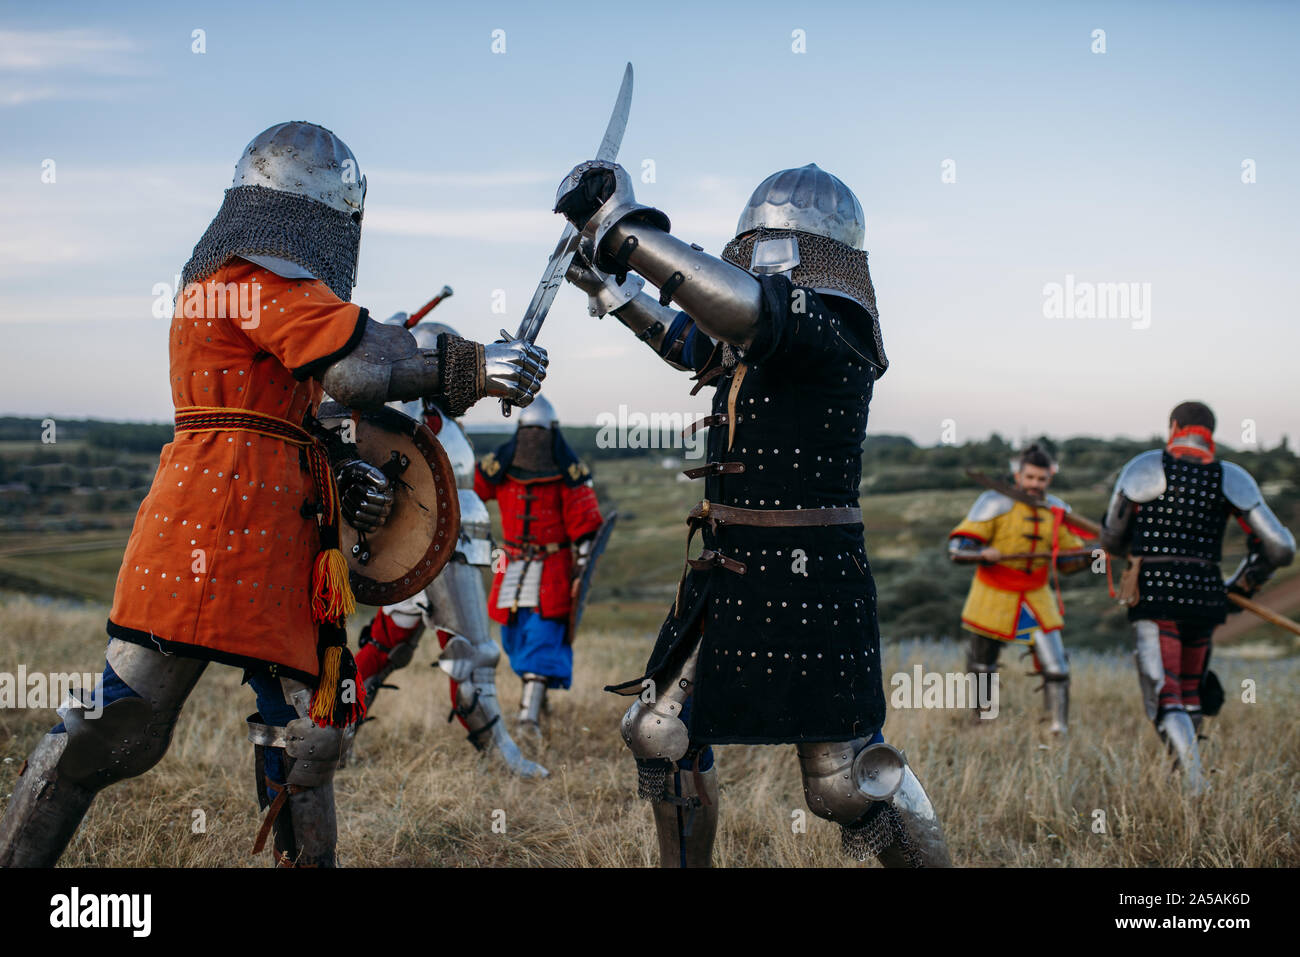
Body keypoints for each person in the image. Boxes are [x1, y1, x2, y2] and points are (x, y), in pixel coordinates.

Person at [0, 121, 547, 867]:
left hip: (280, 536)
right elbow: (355, 371)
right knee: (114, 728)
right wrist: (472, 365)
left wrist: (351, 477)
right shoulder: (246, 281)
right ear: (325, 217)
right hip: (207, 526)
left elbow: (307, 413)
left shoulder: (265, 291)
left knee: (308, 741)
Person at [555, 160, 950, 867]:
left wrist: (623, 232)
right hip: (731, 568)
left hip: (815, 581)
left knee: (842, 784)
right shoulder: (761, 337)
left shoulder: (834, 330)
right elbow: (694, 342)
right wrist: (613, 292)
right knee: (659, 732)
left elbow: (748, 309)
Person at [349, 318, 548, 778]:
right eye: (445, 356)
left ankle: (334, 736)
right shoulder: (407, 412)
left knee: (387, 646)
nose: (455, 367)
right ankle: (500, 756)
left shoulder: (440, 417)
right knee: (472, 653)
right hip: (439, 544)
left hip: (450, 542)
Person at [1099, 401, 1294, 791]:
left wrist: (1131, 541)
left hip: (1155, 595)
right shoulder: (1230, 477)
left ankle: (1192, 782)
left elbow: (1112, 538)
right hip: (1206, 598)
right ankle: (1183, 775)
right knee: (1189, 691)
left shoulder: (1144, 468)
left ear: (1174, 426)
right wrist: (1242, 584)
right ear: (1210, 432)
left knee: (1165, 696)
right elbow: (1280, 548)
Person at [473, 396, 604, 735]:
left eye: (536, 431)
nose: (532, 439)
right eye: (528, 431)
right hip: (512, 564)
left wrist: (581, 569)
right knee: (514, 638)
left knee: (543, 638)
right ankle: (538, 695)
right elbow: (469, 492)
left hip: (554, 568)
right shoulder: (500, 467)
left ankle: (527, 720)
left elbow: (586, 527)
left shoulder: (567, 473)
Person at [947, 444, 1093, 733]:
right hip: (992, 592)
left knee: (1057, 668)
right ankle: (982, 723)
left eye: (1041, 479)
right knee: (982, 667)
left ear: (1049, 478)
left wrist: (1092, 556)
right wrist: (982, 552)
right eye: (1030, 478)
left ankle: (1056, 728)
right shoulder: (993, 502)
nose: (1035, 485)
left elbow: (1067, 562)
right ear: (1018, 476)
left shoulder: (1057, 509)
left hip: (1036, 596)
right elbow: (957, 549)